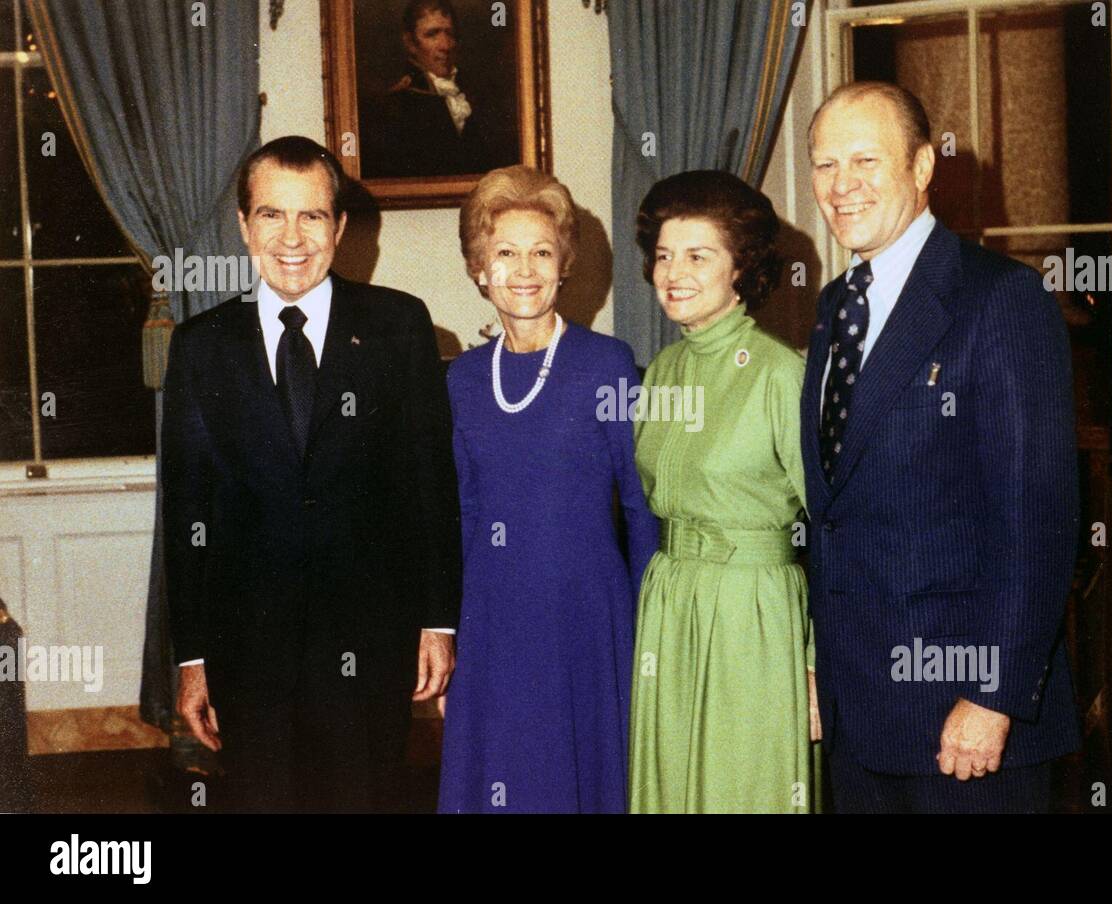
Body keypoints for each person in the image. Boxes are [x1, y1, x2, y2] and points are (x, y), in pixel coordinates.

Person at [802, 82, 1080, 814]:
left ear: (922, 166)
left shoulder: (1001, 300)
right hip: (857, 710)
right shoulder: (833, 308)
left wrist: (993, 696)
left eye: (865, 160)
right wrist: (820, 670)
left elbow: (1038, 521)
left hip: (963, 715)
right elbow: (836, 512)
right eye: (824, 165)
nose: (842, 187)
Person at [162, 135, 462, 812]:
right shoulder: (201, 347)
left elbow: (429, 486)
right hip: (248, 648)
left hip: (371, 641)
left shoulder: (398, 327)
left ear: (341, 227)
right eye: (272, 214)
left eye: (313, 216)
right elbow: (187, 513)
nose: (292, 237)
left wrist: (437, 620)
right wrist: (191, 659)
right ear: (243, 226)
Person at [436, 165, 658, 813]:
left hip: (591, 620)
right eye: (504, 252)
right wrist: (452, 642)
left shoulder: (607, 365)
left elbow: (642, 514)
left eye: (541, 252)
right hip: (494, 622)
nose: (524, 269)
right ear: (479, 268)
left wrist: (650, 639)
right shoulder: (463, 381)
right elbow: (464, 517)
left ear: (564, 266)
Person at [628, 170, 818, 813]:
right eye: (663, 255)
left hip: (753, 613)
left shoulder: (781, 373)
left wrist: (818, 666)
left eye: (697, 255)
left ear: (741, 267)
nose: (672, 272)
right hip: (671, 602)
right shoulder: (661, 369)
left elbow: (835, 529)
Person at [361, 0, 507, 179]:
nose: (445, 45)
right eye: (432, 34)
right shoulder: (395, 105)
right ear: (410, 43)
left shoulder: (474, 94)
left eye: (450, 34)